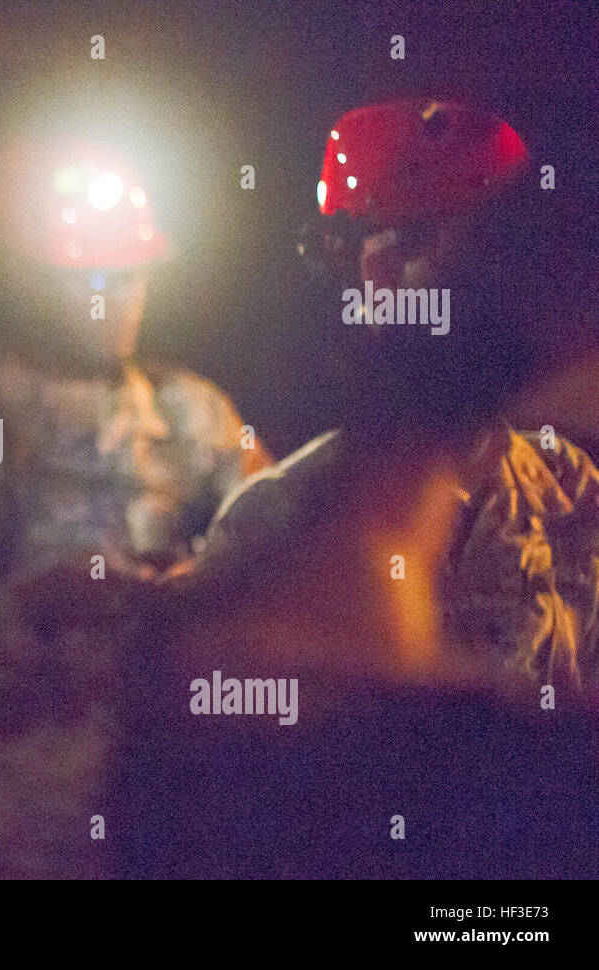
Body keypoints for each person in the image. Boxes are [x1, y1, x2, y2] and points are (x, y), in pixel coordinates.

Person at [114, 98, 599, 879]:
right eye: (378, 245)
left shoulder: (579, 503)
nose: (393, 273)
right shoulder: (277, 520)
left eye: (430, 240)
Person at [0, 137, 270, 877]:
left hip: (166, 819)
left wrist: (192, 592)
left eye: (131, 275)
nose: (116, 298)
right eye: (92, 277)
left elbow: (282, 565)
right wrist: (38, 606)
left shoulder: (196, 416)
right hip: (4, 826)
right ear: (29, 279)